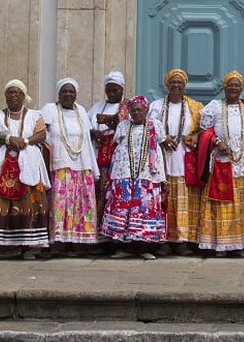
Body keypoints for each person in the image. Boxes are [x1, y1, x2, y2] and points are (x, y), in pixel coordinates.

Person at [0, 79, 51, 260]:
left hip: (28, 163)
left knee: (29, 202)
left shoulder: (34, 115)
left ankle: (27, 247)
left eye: (17, 93)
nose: (13, 96)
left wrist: (26, 141)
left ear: (24, 96)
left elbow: (42, 133)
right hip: (2, 166)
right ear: (5, 96)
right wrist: (8, 139)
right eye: (10, 93)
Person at [197, 70, 244, 257]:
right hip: (221, 163)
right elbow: (203, 132)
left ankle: (239, 245)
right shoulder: (214, 107)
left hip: (243, 163)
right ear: (224, 87)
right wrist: (216, 142)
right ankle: (220, 245)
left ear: (242, 88)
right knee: (221, 204)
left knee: (240, 205)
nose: (233, 88)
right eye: (230, 85)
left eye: (236, 85)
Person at [100, 96, 167, 259]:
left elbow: (161, 150)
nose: (136, 113)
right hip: (124, 174)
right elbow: (117, 147)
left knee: (143, 209)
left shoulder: (155, 126)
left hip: (147, 175)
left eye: (139, 109)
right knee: (124, 208)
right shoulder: (123, 126)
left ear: (146, 110)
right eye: (133, 110)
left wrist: (163, 176)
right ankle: (125, 248)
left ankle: (142, 248)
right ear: (129, 111)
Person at [147, 69, 204, 256]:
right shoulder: (156, 106)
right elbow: (147, 129)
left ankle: (182, 241)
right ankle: (163, 240)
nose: (176, 85)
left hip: (184, 160)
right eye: (172, 82)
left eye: (179, 82)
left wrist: (196, 136)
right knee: (164, 201)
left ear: (185, 85)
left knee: (183, 201)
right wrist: (162, 138)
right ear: (167, 84)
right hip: (161, 159)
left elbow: (203, 130)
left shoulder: (194, 107)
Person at [40, 77, 100, 254]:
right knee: (60, 204)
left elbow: (88, 138)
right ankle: (59, 244)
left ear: (76, 95)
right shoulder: (50, 109)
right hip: (60, 164)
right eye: (64, 91)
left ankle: (78, 244)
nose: (68, 94)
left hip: (82, 164)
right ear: (58, 94)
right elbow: (42, 133)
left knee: (81, 205)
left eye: (71, 91)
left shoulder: (81, 110)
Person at [90, 71, 128, 231]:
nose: (112, 94)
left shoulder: (127, 107)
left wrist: (110, 122)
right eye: (109, 90)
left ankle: (113, 232)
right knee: (98, 193)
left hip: (118, 158)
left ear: (122, 90)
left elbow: (127, 127)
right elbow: (85, 125)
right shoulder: (97, 107)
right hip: (99, 156)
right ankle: (98, 233)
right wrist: (94, 132)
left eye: (116, 90)